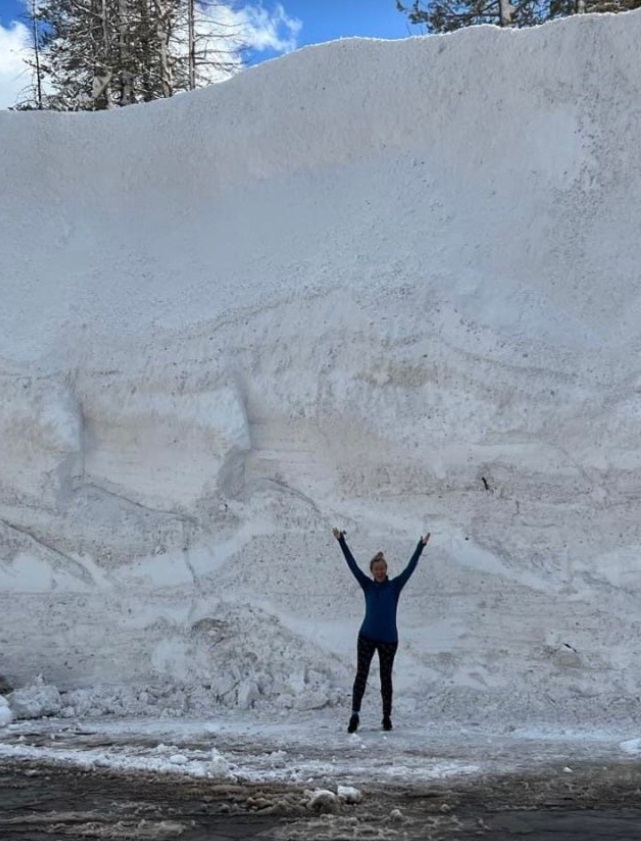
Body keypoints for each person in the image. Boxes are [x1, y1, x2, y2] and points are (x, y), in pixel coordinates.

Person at [332, 527, 430, 733]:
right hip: (366, 636)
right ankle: (355, 715)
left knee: (386, 678)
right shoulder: (366, 585)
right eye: (376, 569)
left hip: (389, 640)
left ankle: (386, 717)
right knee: (362, 674)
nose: (379, 571)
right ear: (372, 571)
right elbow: (352, 565)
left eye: (382, 568)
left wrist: (420, 546)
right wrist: (341, 541)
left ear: (386, 569)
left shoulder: (395, 586)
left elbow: (411, 568)